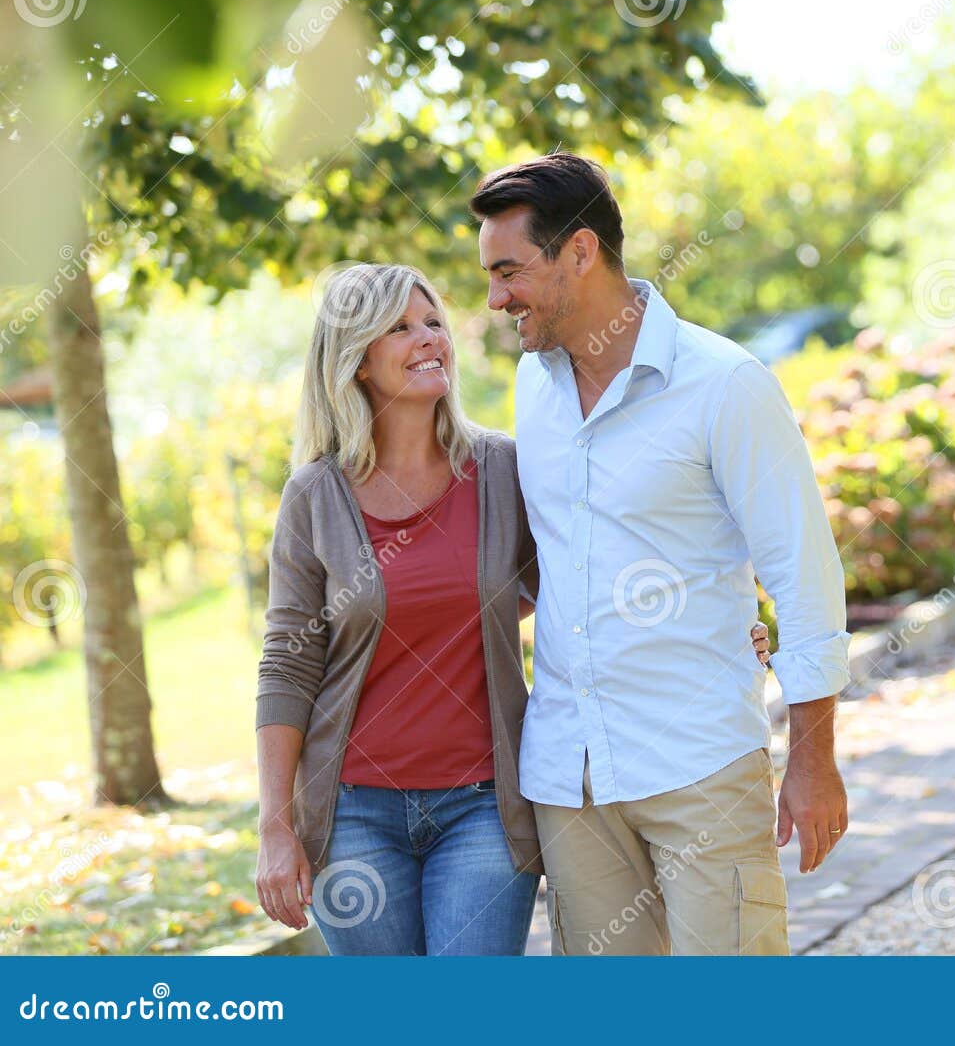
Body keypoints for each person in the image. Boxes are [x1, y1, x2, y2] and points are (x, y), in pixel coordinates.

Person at [251, 259, 776, 954]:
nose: (429, 338)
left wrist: (715, 624)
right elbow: (288, 665)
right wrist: (275, 825)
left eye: (434, 321)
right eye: (401, 328)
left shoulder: (500, 470)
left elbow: (583, 570)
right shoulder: (315, 497)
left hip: (483, 805)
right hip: (353, 812)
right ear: (356, 362)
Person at [473, 152, 851, 956]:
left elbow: (804, 575)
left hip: (701, 763)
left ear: (580, 251)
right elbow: (555, 557)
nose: (496, 296)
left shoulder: (725, 383)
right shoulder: (533, 388)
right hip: (571, 779)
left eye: (509, 270)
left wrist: (813, 758)